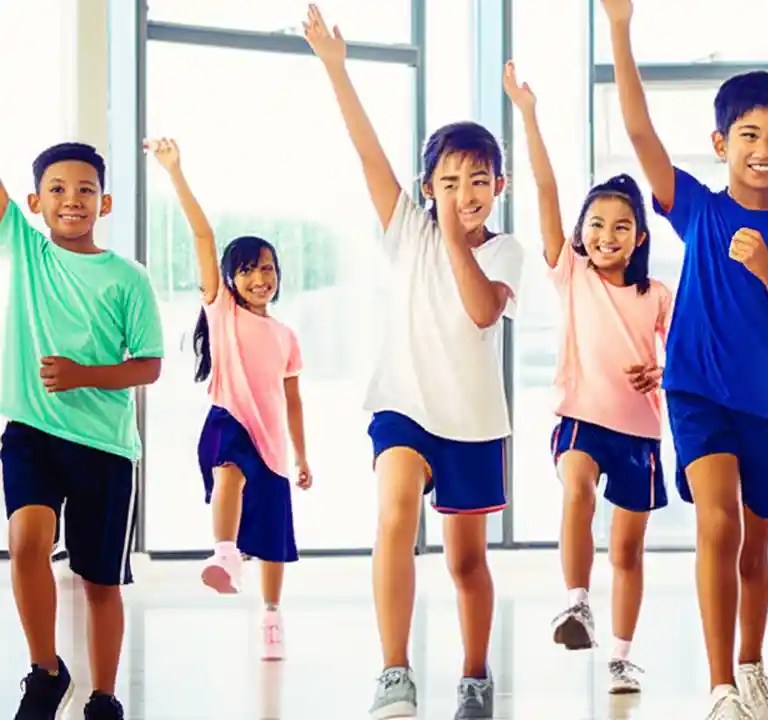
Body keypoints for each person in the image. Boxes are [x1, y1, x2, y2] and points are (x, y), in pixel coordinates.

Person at [600, 1, 768, 717]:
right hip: (697, 391)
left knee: (754, 548)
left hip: (767, 404)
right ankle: (719, 686)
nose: (763, 148)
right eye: (748, 135)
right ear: (721, 141)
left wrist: (766, 267)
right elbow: (639, 130)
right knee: (719, 525)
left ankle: (751, 662)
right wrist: (619, 28)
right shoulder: (697, 207)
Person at [304, 6, 523, 719]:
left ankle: (474, 677)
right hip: (402, 406)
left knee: (466, 563)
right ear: (429, 186)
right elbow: (368, 153)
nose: (466, 193)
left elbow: (483, 310)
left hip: (473, 422)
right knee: (394, 516)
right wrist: (337, 70)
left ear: (500, 185)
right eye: (451, 180)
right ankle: (394, 671)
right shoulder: (408, 229)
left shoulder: (501, 250)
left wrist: (457, 235)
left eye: (479, 179)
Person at [503, 63, 672, 695]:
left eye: (620, 226)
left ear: (639, 237)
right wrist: (528, 113)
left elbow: (686, 354)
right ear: (581, 234)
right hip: (580, 418)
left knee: (627, 551)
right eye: (595, 225)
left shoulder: (656, 293)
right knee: (576, 490)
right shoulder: (570, 275)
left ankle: (622, 655)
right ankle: (575, 601)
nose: (606, 235)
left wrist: (664, 368)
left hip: (640, 434)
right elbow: (546, 189)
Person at [0, 142, 164, 720]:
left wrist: (82, 376)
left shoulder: (129, 279)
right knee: (26, 545)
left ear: (106, 202)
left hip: (105, 446)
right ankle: (46, 672)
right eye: (58, 190)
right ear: (34, 202)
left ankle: (103, 698)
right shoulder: (24, 249)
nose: (72, 200)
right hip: (30, 432)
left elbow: (148, 365)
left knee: (99, 583)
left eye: (86, 190)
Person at [146, 138, 313, 663]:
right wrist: (175, 172)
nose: (259, 278)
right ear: (229, 278)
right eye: (247, 270)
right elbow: (202, 232)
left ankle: (270, 615)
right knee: (227, 473)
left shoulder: (286, 335)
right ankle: (222, 553)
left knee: (273, 536)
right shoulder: (221, 311)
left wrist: (303, 456)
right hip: (228, 419)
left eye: (267, 269)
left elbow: (294, 401)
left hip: (273, 444)